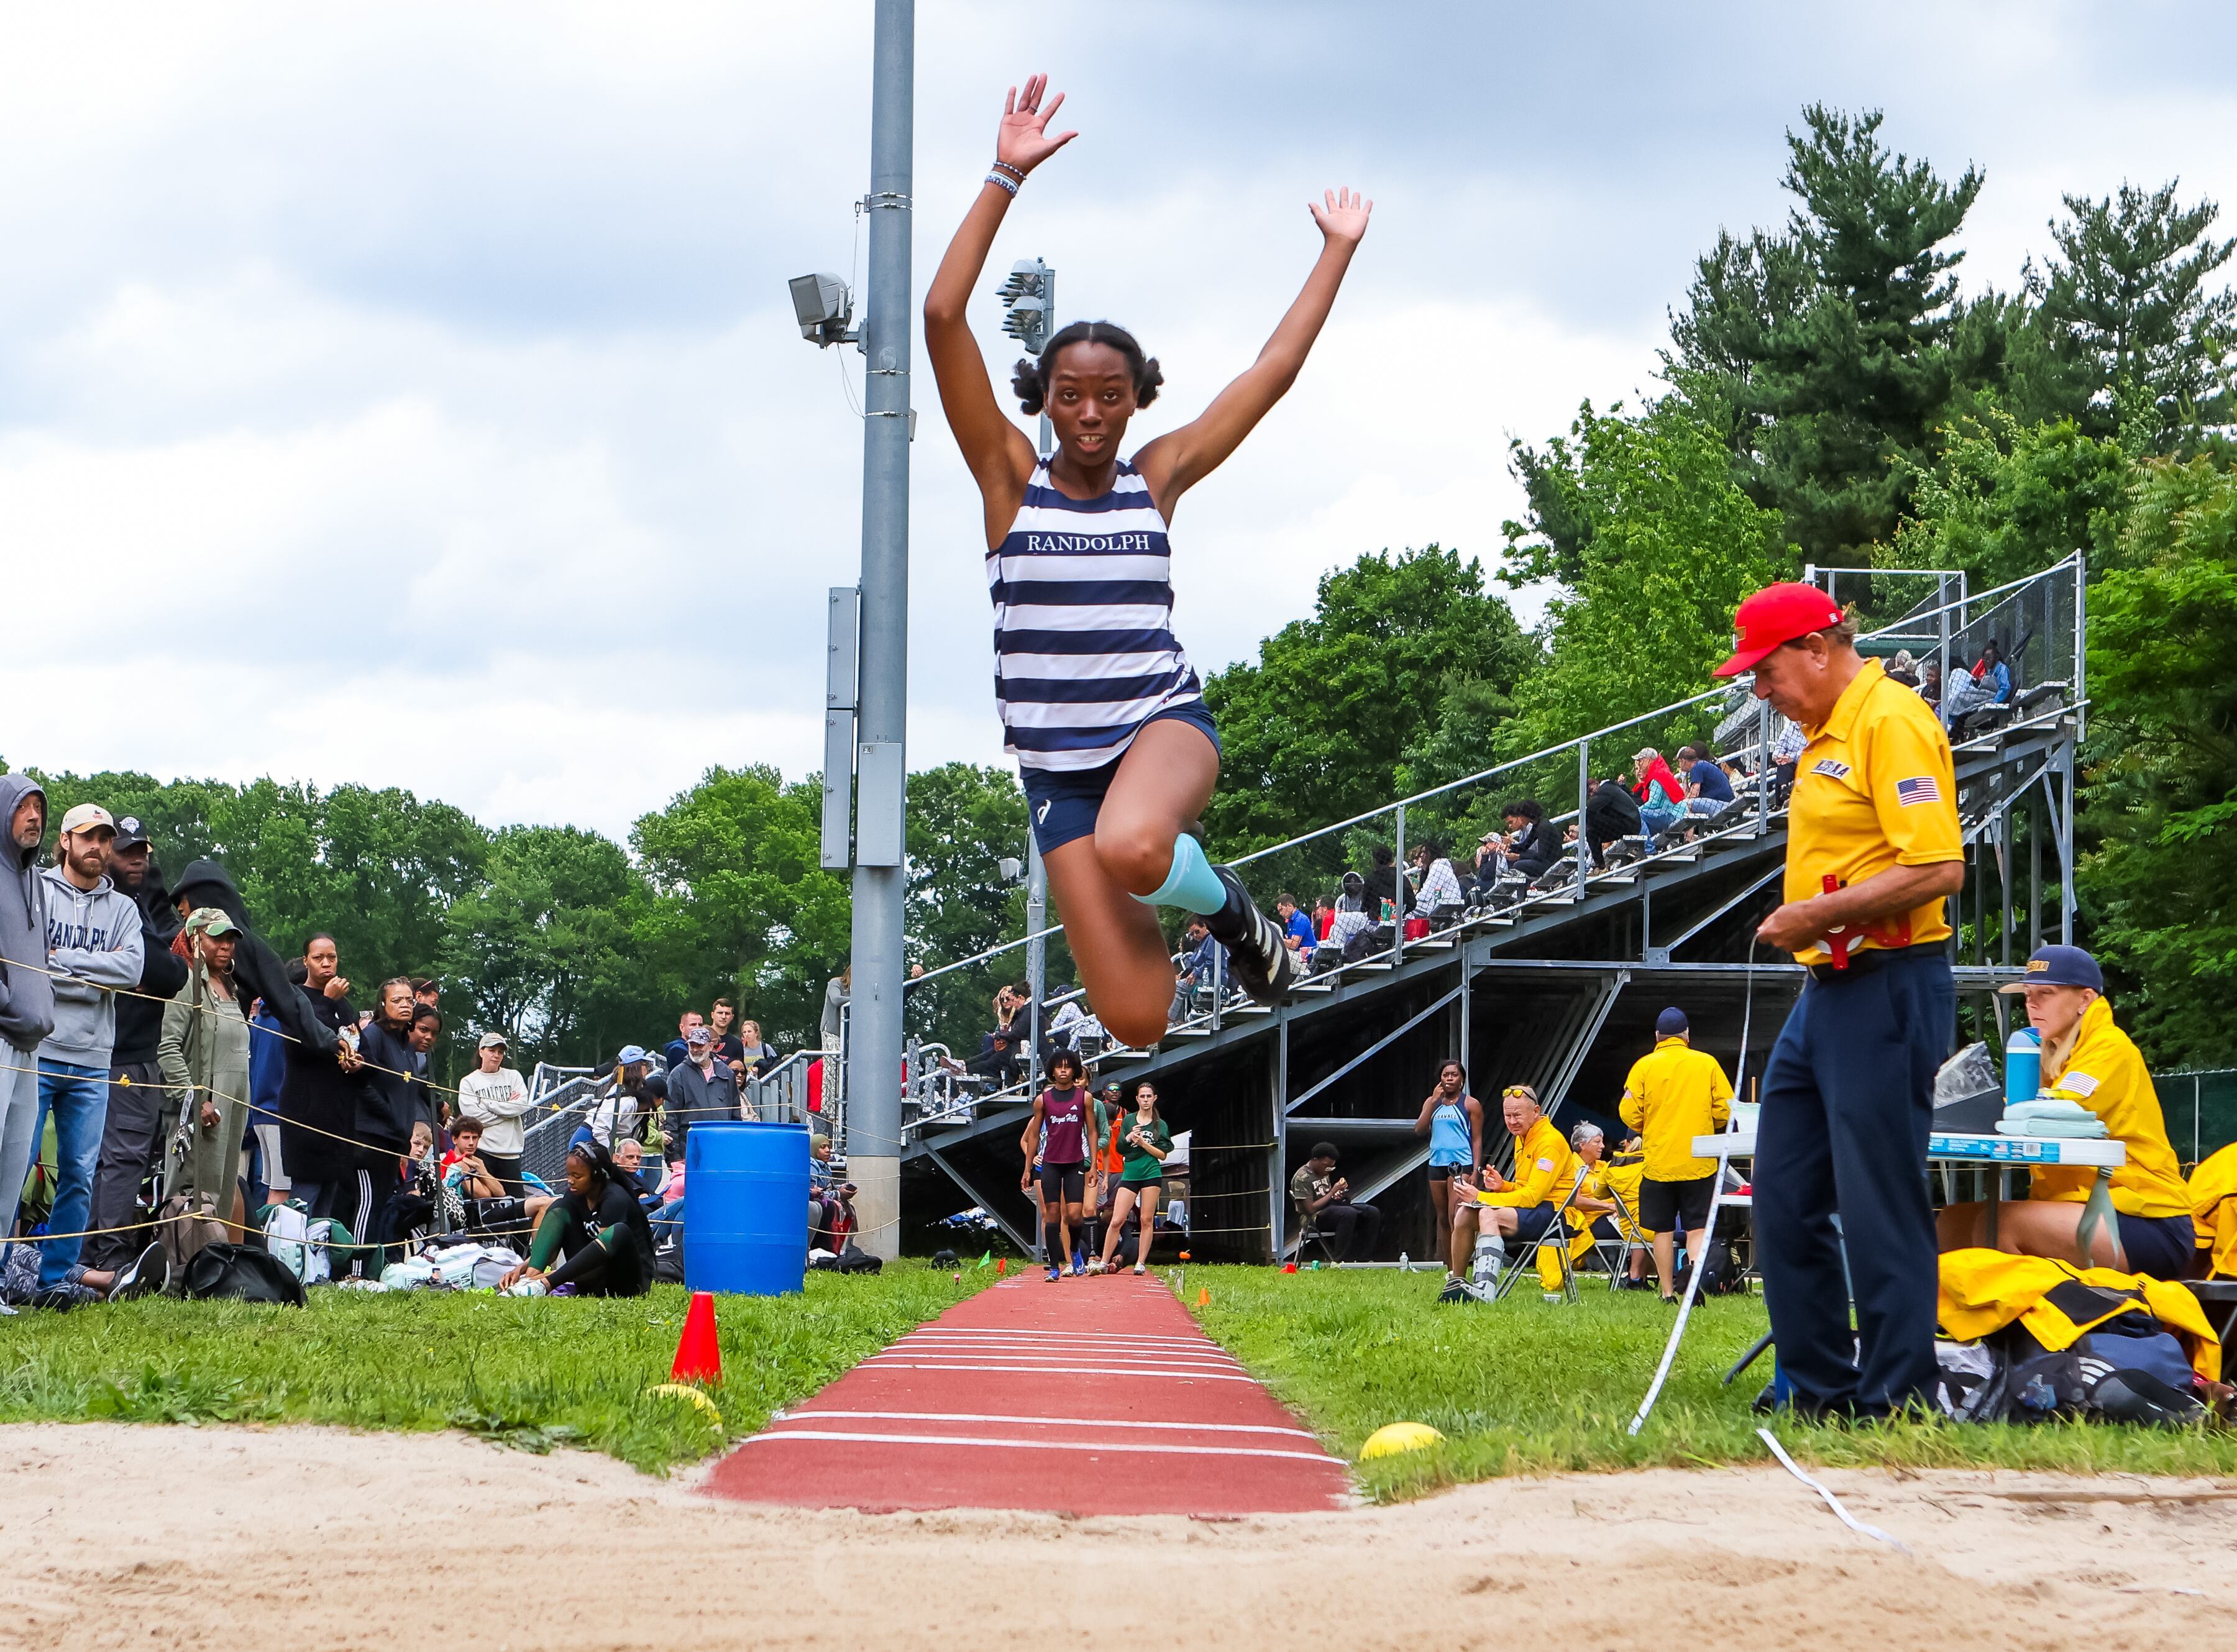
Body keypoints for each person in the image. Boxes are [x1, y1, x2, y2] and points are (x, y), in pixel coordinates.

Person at [923, 74, 1371, 1049]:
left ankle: (1226, 911)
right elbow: (943, 317)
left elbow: (1272, 372)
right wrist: (1004, 173)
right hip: (1056, 770)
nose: (1090, 414)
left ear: (1135, 400)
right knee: (1137, 1019)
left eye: (1111, 396)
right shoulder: (1008, 479)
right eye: (1073, 396)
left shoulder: (1155, 479)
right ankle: (1215, 902)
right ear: (1046, 398)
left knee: (1136, 842)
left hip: (1156, 726)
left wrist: (1334, 252)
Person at [1718, 580, 1964, 1418]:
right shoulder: (1827, 731)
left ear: (1817, 648)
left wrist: (1811, 914)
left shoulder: (1888, 719)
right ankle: (1819, 1388)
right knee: (1781, 1194)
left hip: (1888, 982)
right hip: (1828, 988)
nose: (1760, 691)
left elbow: (1937, 866)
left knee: (1877, 1198)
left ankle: (1900, 1396)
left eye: (1766, 670)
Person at [1936, 945, 2196, 1279]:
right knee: (1952, 1222)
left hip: (2148, 1221)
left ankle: (2027, 1330)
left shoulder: (2110, 1049)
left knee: (2000, 1227)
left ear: (2085, 1000)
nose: (2032, 1003)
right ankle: (1941, 1325)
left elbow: (2054, 1113)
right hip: (2084, 1208)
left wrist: (1984, 1110)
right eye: (2028, 994)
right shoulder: (2053, 1053)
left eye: (2047, 993)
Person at [30, 805, 144, 1305]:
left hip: (95, 1057)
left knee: (79, 1173)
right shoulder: (36, 888)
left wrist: (68, 962)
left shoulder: (123, 908)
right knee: (16, 1167)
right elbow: (30, 963)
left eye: (105, 838)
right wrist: (96, 972)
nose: (98, 846)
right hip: (37, 1050)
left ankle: (56, 1279)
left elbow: (133, 969)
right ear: (65, 840)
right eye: (88, 837)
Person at [81, 815, 189, 1273]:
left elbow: (170, 969)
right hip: (115, 1051)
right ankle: (109, 1254)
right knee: (118, 1158)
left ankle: (90, 1254)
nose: (138, 859)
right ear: (105, 853)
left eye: (143, 851)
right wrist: (156, 969)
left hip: (139, 1049)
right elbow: (165, 968)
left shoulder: (142, 904)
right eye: (127, 850)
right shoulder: (110, 905)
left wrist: (158, 969)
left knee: (121, 1157)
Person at [1617, 1007, 1735, 1302]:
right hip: (1699, 1162)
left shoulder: (1644, 1066)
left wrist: (1647, 1124)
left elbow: (1629, 1112)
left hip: (1659, 1163)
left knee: (1663, 1231)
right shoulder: (1706, 1063)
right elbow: (1725, 1108)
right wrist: (1708, 1122)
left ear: (1657, 1036)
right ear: (1687, 1035)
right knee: (1697, 1226)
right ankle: (1693, 1279)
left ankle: (1668, 1292)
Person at [157, 906, 255, 1234]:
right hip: (203, 1107)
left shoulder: (231, 987)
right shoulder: (186, 982)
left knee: (225, 1189)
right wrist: (195, 1099)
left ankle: (214, 1266)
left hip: (234, 1105)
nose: (227, 946)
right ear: (195, 938)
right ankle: (181, 1265)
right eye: (218, 938)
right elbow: (168, 1047)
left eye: (231, 939)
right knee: (194, 1192)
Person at [1446, 1085, 1575, 1303]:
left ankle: (1484, 1291)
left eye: (1517, 1115)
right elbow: (1527, 1189)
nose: (1512, 1121)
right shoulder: (1522, 1136)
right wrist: (1503, 1185)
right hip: (1537, 1208)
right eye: (1508, 1116)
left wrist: (1481, 1197)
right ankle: (1457, 1282)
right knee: (1464, 1214)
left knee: (1487, 1213)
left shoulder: (1550, 1142)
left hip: (1558, 1215)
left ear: (1536, 1111)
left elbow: (1533, 1197)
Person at [0, 775, 54, 1271]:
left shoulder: (36, 880)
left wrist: (43, 1007)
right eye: (23, 807)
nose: (34, 816)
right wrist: (12, 1006)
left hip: (31, 1045)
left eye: (39, 807)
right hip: (1, 1037)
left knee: (14, 1165)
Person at [497, 1141, 654, 1297]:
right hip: (592, 1281)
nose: (570, 1181)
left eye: (577, 1176)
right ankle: (529, 1279)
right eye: (569, 1174)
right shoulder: (575, 1196)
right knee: (560, 1207)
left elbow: (604, 1261)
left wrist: (551, 1278)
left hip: (626, 1282)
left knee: (619, 1231)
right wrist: (520, 1269)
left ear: (596, 1174)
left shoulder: (615, 1199)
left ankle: (543, 1285)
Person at [276, 934, 357, 1222]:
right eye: (319, 958)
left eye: (332, 957)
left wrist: (357, 1062)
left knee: (326, 1210)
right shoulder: (294, 998)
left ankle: (319, 1265)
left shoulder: (345, 1005)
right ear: (306, 961)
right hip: (306, 1114)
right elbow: (304, 1043)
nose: (327, 964)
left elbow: (356, 1042)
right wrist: (326, 1001)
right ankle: (292, 1261)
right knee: (304, 1203)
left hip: (337, 1117)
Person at [1019, 1047, 1094, 1280]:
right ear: (1052, 1071)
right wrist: (1027, 1167)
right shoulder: (1043, 1100)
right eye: (1059, 1066)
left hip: (1075, 1162)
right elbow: (1033, 1136)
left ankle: (1073, 1250)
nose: (1063, 1070)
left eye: (1068, 1066)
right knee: (1051, 1215)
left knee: (1074, 1215)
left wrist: (1094, 1166)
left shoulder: (1084, 1098)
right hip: (1050, 1162)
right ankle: (1054, 1266)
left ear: (1074, 1070)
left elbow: (1092, 1130)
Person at [1413, 1059, 1483, 1285]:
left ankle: (1461, 1268)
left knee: (1456, 1215)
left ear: (1462, 1079)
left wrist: (1475, 1169)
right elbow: (1419, 1129)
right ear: (1440, 1079)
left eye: (1454, 1075)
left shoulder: (1470, 1104)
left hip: (1460, 1165)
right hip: (1437, 1163)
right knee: (1442, 1217)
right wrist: (1433, 1101)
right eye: (1446, 1075)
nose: (1450, 1078)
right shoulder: (1433, 1103)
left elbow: (1477, 1139)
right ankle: (1450, 1267)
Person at [1094, 1078, 1173, 1275]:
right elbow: (1120, 1148)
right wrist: (1130, 1138)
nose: (1146, 1100)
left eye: (1149, 1096)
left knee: (1147, 1219)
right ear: (1137, 1099)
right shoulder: (1129, 1120)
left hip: (1151, 1173)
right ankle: (1104, 1261)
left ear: (1154, 1099)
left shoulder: (1160, 1124)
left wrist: (1143, 1143)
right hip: (1130, 1173)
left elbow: (1163, 1154)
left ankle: (1141, 1262)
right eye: (1142, 1097)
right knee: (1117, 1219)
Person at [456, 1031, 533, 1196]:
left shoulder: (513, 1076)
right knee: (485, 1200)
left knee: (516, 1203)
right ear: (481, 1051)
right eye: (492, 1050)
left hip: (511, 1154)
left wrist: (489, 1104)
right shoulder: (469, 1082)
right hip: (483, 1152)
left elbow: (522, 1106)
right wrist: (507, 1111)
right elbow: (474, 1119)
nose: (496, 1055)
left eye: (500, 1052)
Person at [1288, 1143, 1381, 1262]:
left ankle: (1363, 1258)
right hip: (1313, 1218)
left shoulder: (1323, 1172)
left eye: (1331, 1167)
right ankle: (1339, 1260)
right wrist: (1333, 1191)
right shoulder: (1303, 1178)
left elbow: (1326, 1196)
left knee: (1371, 1212)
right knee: (1348, 1213)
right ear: (1315, 1160)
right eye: (1326, 1166)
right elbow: (1310, 1209)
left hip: (1331, 1209)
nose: (1329, 1170)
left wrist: (1338, 1194)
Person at [664, 1023, 739, 1171]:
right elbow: (671, 1117)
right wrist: (675, 1156)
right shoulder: (678, 1075)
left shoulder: (726, 1073)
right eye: (692, 1045)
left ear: (711, 1046)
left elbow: (736, 1114)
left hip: (722, 1147)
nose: (695, 1050)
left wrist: (735, 1146)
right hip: (691, 1147)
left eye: (700, 1045)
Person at [1583, 777, 1640, 865]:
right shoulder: (1608, 788)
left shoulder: (1605, 789)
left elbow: (1590, 809)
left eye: (1591, 790)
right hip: (1627, 823)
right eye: (1589, 794)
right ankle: (1600, 865)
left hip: (1629, 824)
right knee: (1591, 829)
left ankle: (1600, 865)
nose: (1592, 794)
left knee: (1590, 828)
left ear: (1597, 784)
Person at [1499, 800, 1559, 881]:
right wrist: (1510, 847)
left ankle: (1527, 888)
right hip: (1545, 860)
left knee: (1518, 865)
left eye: (1521, 816)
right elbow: (1524, 846)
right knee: (1518, 863)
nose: (1520, 818)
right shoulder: (1537, 825)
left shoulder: (1543, 827)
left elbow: (1541, 855)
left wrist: (1519, 857)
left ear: (1527, 815)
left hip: (1550, 862)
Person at [1631, 748, 1685, 834]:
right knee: (1641, 816)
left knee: (1638, 815)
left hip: (1672, 814)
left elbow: (1654, 803)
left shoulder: (1656, 777)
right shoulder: (1661, 771)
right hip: (1675, 813)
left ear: (1648, 761)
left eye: (1640, 761)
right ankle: (1649, 844)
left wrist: (1635, 811)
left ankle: (1648, 847)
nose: (1639, 764)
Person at [1678, 744, 1736, 819]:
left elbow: (1694, 794)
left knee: (1685, 805)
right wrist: (1684, 777)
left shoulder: (1697, 766)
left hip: (1723, 804)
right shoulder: (1700, 765)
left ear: (1683, 761)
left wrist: (1682, 804)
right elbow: (1689, 795)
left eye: (1679, 762)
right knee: (1686, 805)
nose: (1679, 765)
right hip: (1719, 803)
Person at [708, 997, 747, 1081]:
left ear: (732, 1017)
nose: (723, 1017)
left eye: (727, 1013)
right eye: (720, 1013)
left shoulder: (737, 1044)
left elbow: (740, 1072)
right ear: (712, 1015)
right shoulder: (702, 1037)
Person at [662, 1008, 705, 1073]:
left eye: (700, 1025)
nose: (697, 1028)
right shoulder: (677, 1050)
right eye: (693, 1025)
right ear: (682, 1028)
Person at [1276, 893, 1315, 957]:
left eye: (1281, 909)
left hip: (1307, 956)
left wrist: (1277, 939)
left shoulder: (1300, 919)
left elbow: (1294, 944)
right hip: (1300, 954)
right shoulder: (1292, 920)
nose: (1280, 913)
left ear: (1289, 906)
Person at [819, 969, 849, 1051]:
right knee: (833, 1062)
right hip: (832, 1030)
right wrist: (856, 1000)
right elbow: (836, 999)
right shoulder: (835, 982)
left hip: (848, 1033)